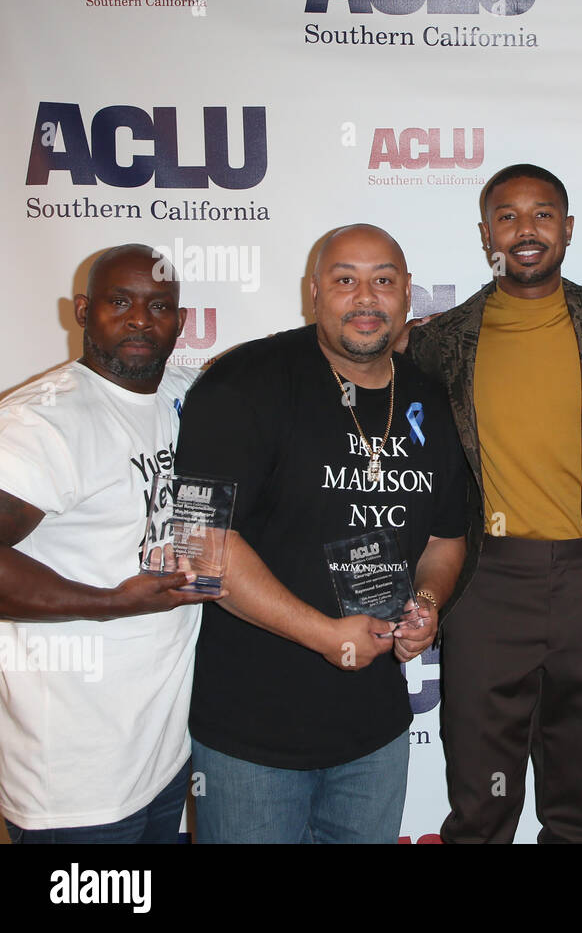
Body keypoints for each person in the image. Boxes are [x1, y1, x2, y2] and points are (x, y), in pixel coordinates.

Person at [175, 224, 467, 843]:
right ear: (314, 292)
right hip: (252, 734)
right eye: (344, 280)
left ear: (407, 293)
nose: (366, 298)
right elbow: (201, 540)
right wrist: (326, 636)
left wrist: (428, 602)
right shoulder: (244, 383)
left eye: (383, 280)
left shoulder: (431, 401)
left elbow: (445, 538)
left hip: (375, 732)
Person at [404, 164, 582, 843]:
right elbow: (350, 343)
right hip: (486, 583)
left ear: (567, 227)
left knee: (577, 808)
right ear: (485, 235)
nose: (525, 229)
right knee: (480, 807)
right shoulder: (442, 340)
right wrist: (245, 361)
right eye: (508, 216)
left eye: (542, 214)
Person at [0, 243, 220, 843]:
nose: (140, 320)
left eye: (159, 306)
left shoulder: (184, 392)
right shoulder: (42, 423)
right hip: (73, 781)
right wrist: (111, 602)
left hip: (163, 757)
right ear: (81, 310)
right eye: (119, 302)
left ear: (180, 319)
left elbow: (276, 372)